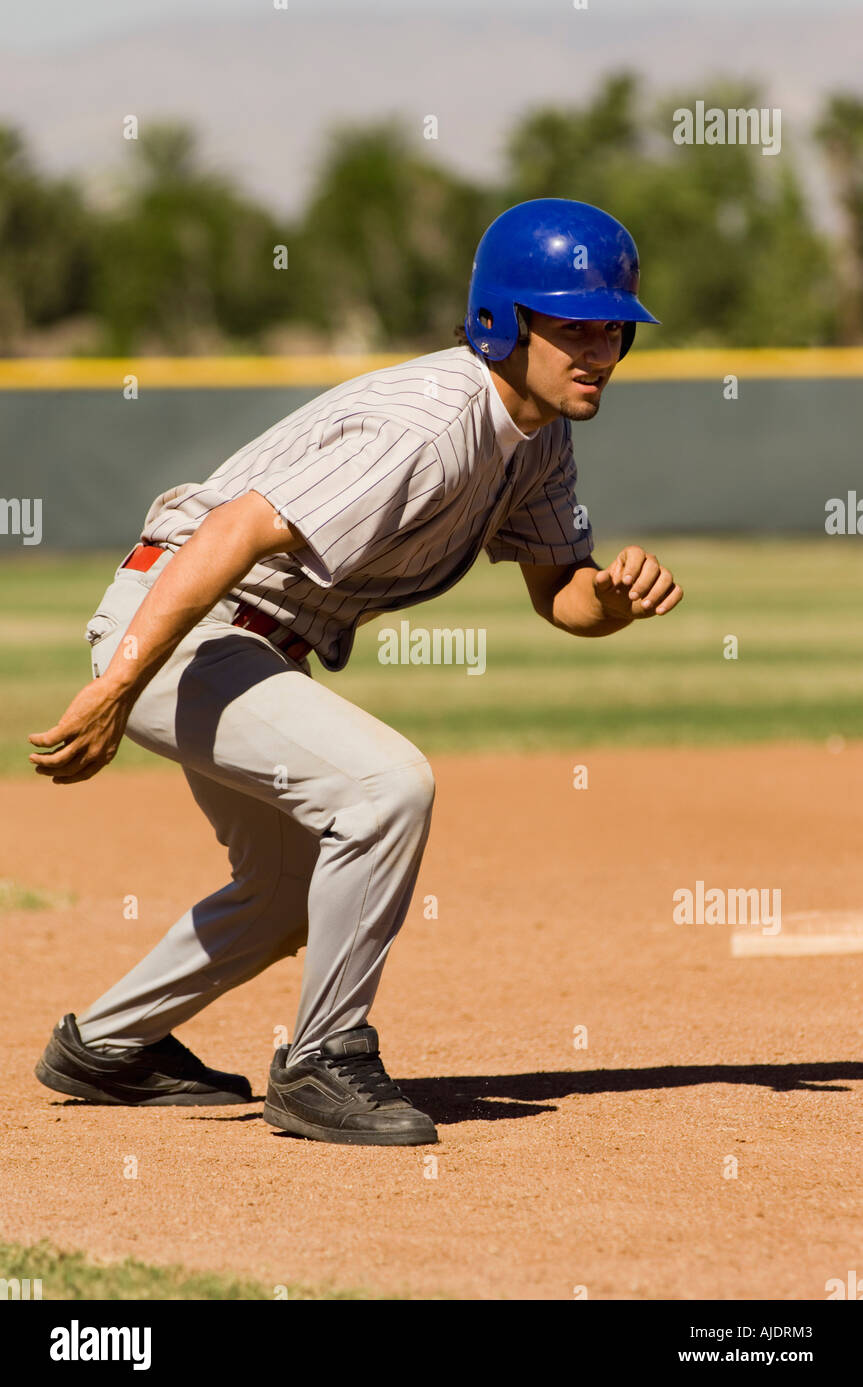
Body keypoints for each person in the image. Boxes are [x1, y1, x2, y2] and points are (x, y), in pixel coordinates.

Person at [29, 198, 683, 1146]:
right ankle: (325, 1059)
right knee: (384, 787)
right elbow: (231, 530)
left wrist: (610, 600)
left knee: (290, 893)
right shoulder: (430, 424)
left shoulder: (536, 436)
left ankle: (107, 1045)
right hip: (184, 628)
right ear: (502, 322)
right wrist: (117, 683)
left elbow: (560, 594)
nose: (597, 350)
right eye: (571, 324)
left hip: (242, 647)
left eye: (613, 329)